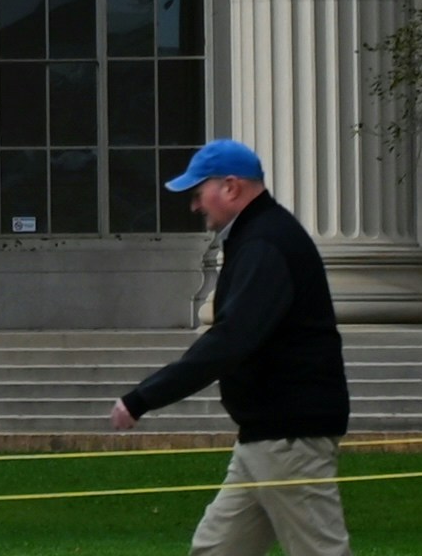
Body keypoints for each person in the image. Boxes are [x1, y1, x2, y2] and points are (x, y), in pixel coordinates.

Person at [108, 139, 352, 556]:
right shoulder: (259, 238)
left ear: (231, 187)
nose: (194, 205)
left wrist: (142, 398)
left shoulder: (265, 243)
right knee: (215, 550)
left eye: (199, 192)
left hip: (288, 437)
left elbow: (229, 341)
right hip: (266, 436)